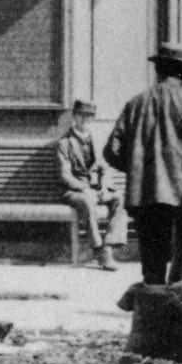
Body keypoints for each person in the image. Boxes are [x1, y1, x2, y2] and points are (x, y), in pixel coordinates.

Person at [104, 41, 182, 285]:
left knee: (152, 270)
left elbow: (112, 151)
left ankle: (153, 304)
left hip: (144, 194)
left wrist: (138, 169)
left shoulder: (135, 104)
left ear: (158, 70)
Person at [55, 100, 124, 270]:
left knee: (119, 198)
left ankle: (109, 245)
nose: (85, 119)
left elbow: (105, 168)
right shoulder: (64, 143)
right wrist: (85, 188)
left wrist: (104, 187)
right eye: (81, 115)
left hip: (95, 189)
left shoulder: (97, 140)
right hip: (74, 191)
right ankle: (99, 250)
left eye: (89, 116)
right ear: (74, 116)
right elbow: (65, 175)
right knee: (88, 201)